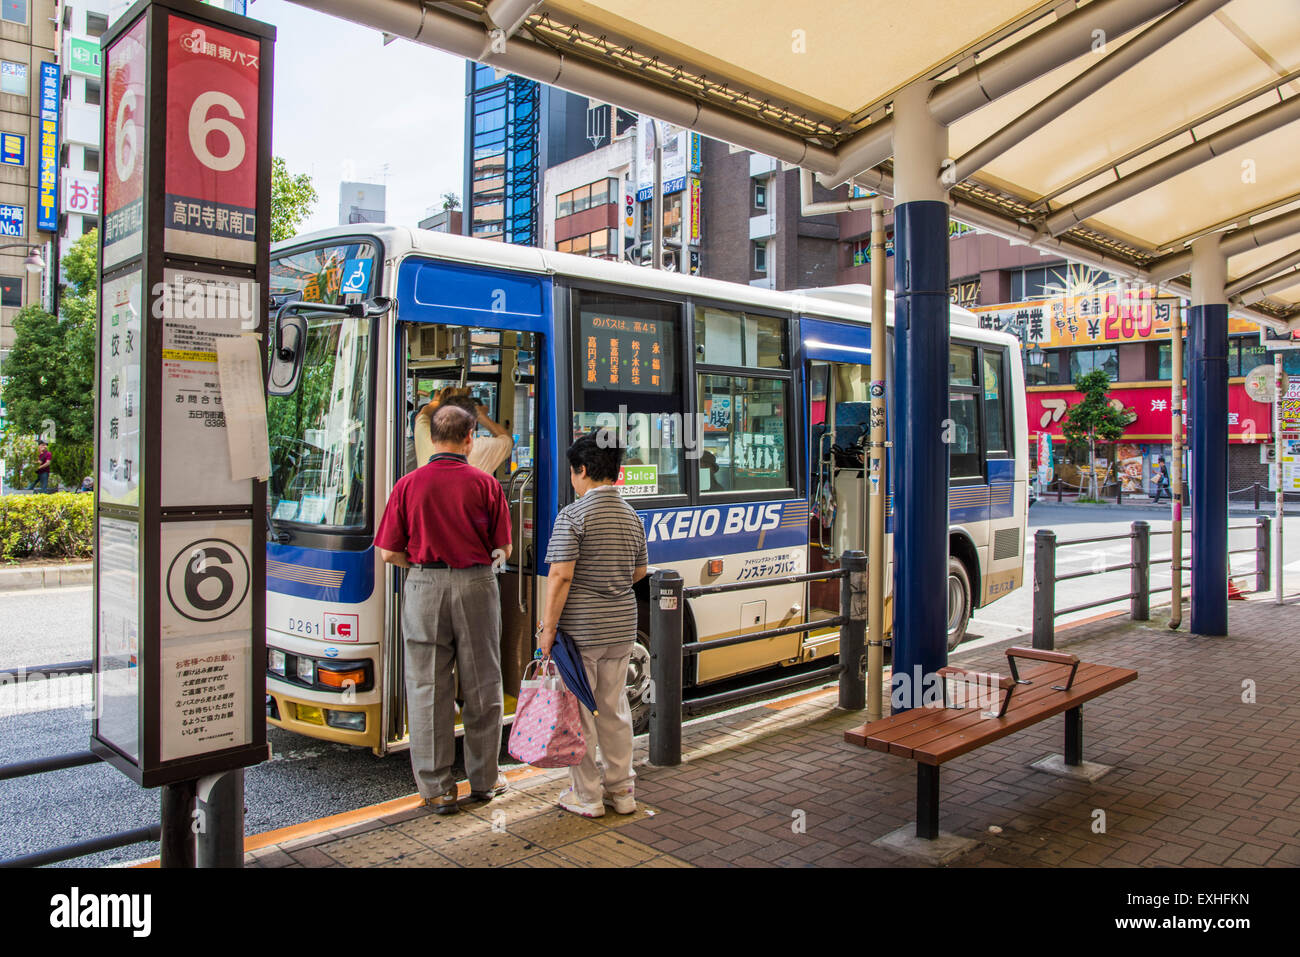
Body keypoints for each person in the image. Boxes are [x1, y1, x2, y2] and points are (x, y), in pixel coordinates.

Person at [375, 404, 512, 814]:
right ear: (470, 439)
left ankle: (437, 788)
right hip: (475, 584)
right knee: (483, 684)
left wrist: (418, 565)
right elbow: (502, 547)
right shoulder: (486, 484)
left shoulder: (407, 485)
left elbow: (387, 553)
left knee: (426, 687)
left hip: (424, 585)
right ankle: (484, 780)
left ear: (433, 439)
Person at [539, 429, 648, 818]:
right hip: (621, 631)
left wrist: (547, 630)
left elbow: (560, 577)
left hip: (581, 633)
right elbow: (640, 572)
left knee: (581, 714)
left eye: (573, 472)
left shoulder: (573, 515)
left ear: (582, 470)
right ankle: (623, 792)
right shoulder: (632, 516)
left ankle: (586, 796)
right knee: (615, 709)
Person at [414, 387, 514, 475]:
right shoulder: (479, 449)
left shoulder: (426, 439)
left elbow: (422, 416)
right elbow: (508, 439)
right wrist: (481, 415)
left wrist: (437, 401)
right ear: (468, 437)